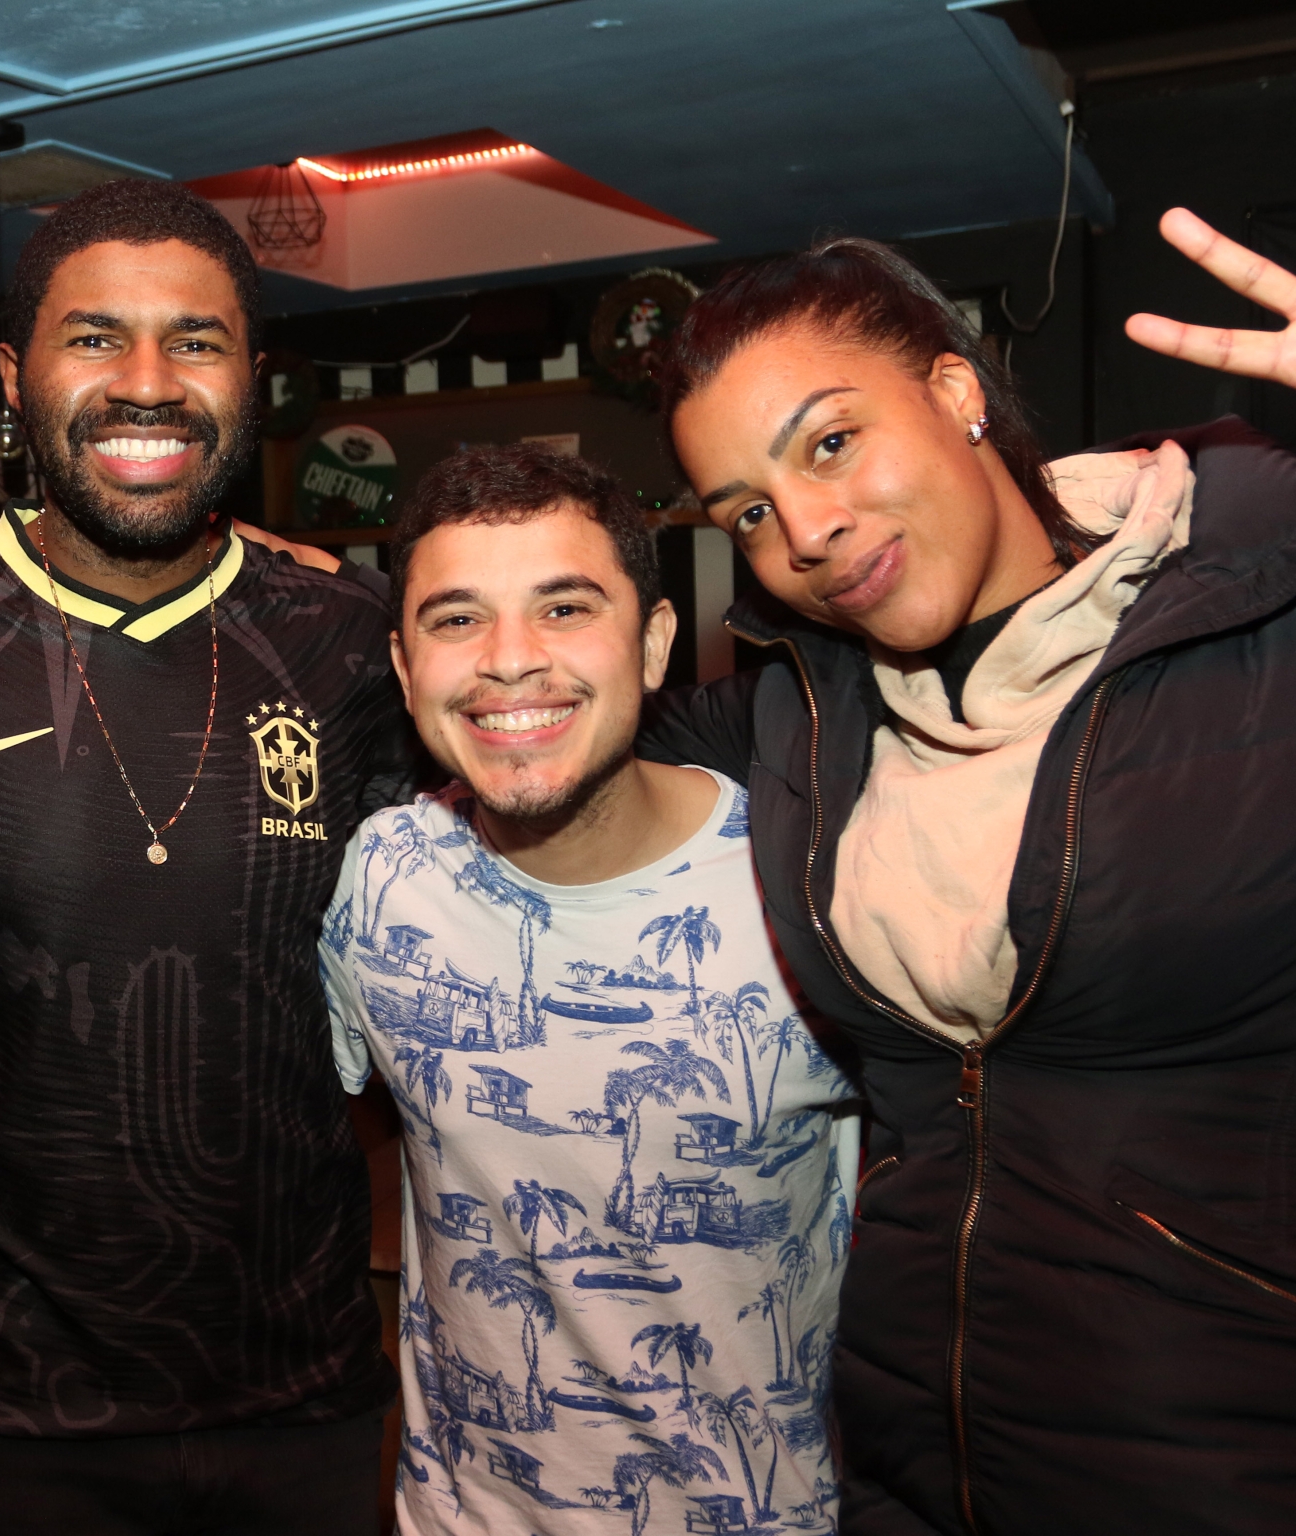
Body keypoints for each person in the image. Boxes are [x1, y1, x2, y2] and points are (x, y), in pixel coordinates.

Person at [635, 222, 1296, 1533]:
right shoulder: (804, 711)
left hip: (1233, 1462)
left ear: (954, 390)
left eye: (831, 442)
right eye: (749, 514)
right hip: (917, 1461)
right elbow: (555, 734)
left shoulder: (1271, 612)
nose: (808, 531)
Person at [0, 179, 412, 1534]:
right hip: (5, 1407)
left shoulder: (349, 641)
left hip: (303, 1387)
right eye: (94, 338)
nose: (147, 382)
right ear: (15, 380)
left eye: (195, 341)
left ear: (253, 379)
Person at [320, 443, 863, 1535]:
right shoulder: (385, 877)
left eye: (564, 608)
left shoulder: (815, 882)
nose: (511, 661)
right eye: (457, 619)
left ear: (654, 642)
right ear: (404, 666)